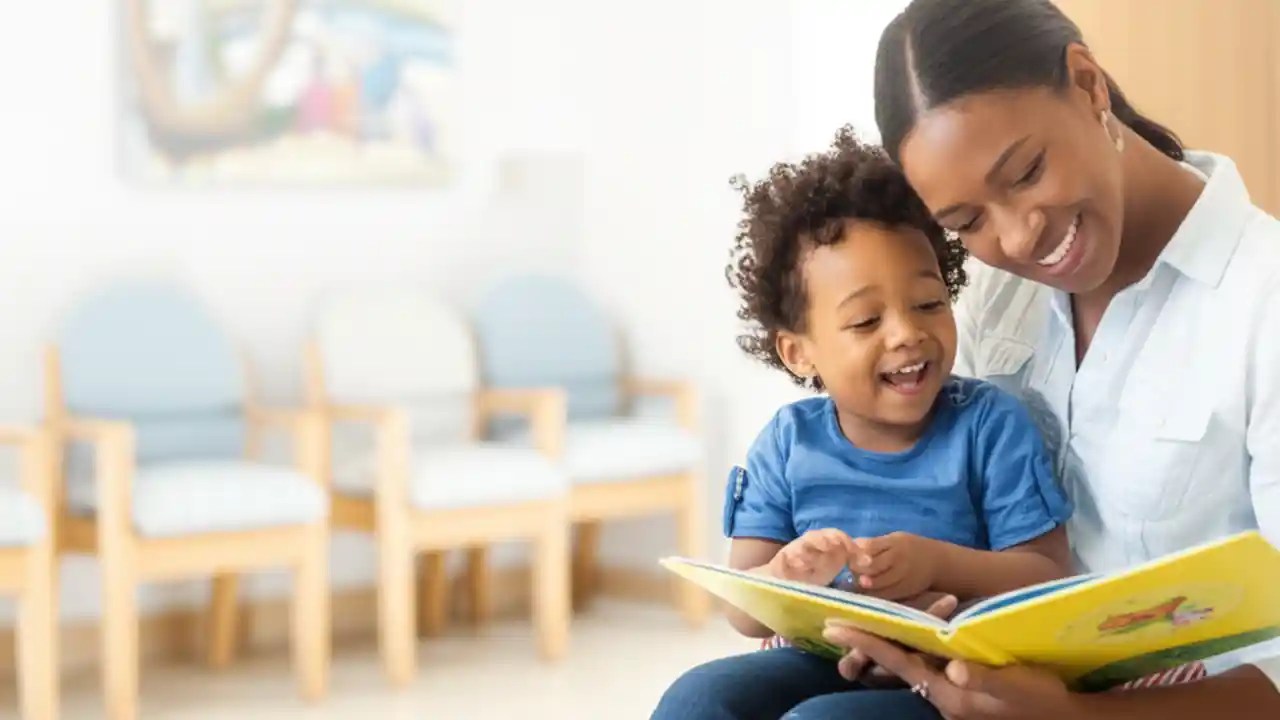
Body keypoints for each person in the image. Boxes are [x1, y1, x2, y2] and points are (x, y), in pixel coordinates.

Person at [816, 0, 1280, 718]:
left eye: (1026, 171)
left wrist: (1078, 716)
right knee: (713, 701)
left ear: (1089, 83)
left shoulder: (1261, 301)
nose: (1019, 238)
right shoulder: (991, 298)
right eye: (966, 222)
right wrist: (910, 610)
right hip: (989, 680)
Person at [650, 127, 1075, 720]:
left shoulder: (989, 426)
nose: (906, 333)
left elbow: (1049, 575)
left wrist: (936, 563)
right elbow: (745, 613)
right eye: (865, 320)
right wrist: (789, 573)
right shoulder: (788, 442)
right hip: (824, 656)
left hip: (948, 677)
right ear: (800, 352)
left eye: (928, 304)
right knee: (696, 699)